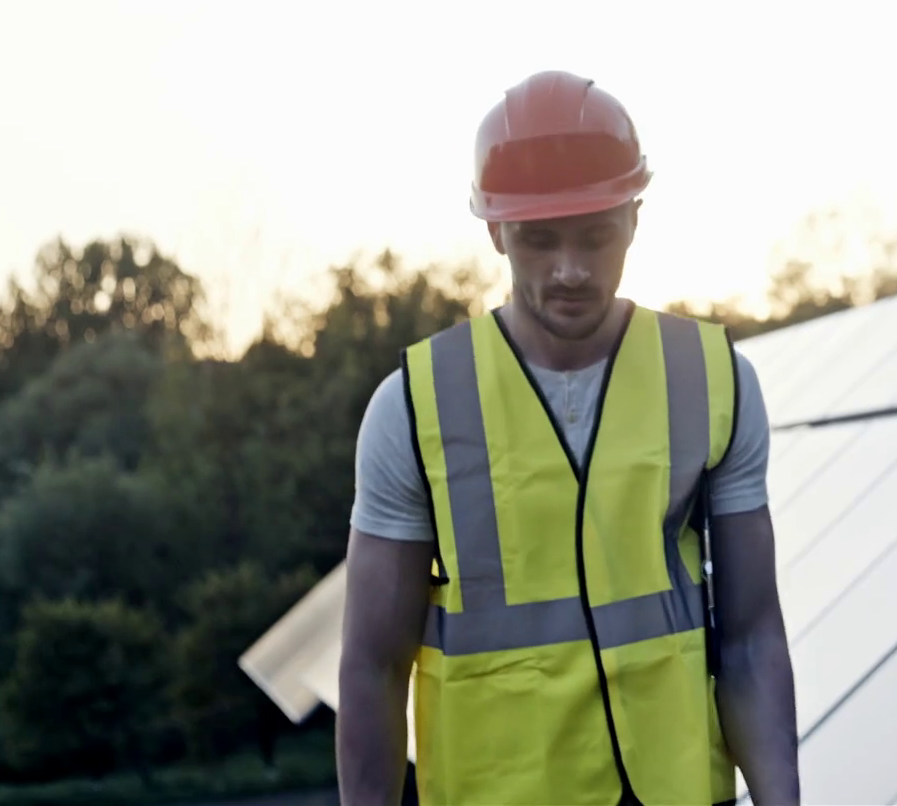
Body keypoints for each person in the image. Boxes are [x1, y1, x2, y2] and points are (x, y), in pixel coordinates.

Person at [336, 71, 800, 806]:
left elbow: (750, 636)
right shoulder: (413, 407)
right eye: (539, 240)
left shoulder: (713, 381)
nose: (571, 270)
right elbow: (372, 668)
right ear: (496, 232)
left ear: (635, 217)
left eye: (596, 235)